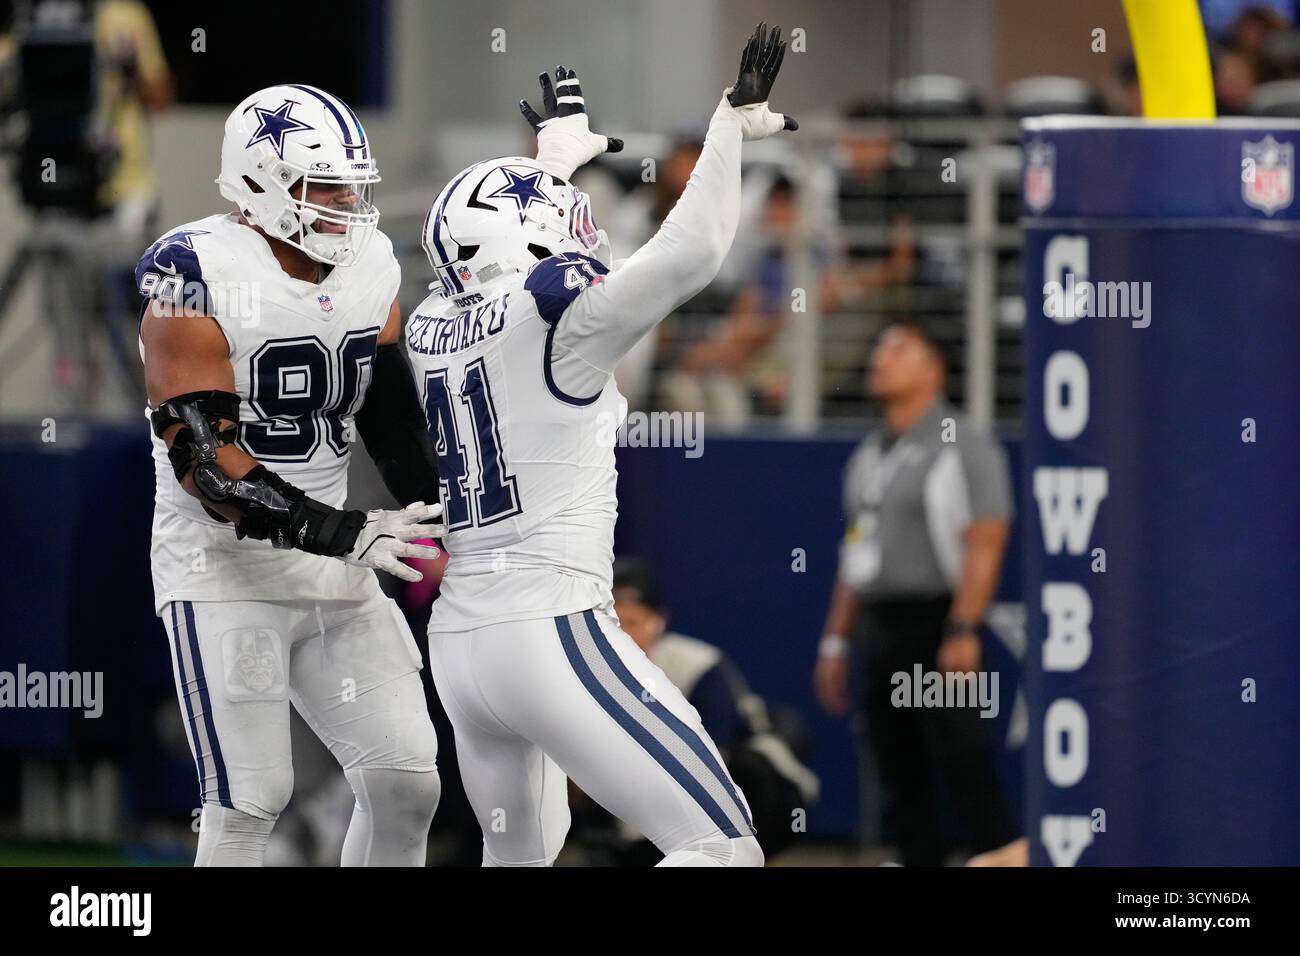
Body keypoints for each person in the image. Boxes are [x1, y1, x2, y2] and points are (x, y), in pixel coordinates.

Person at [405, 23, 797, 867]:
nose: (581, 229)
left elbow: (508, 260)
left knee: (519, 860)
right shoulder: (560, 321)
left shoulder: (434, 322)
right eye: (562, 217)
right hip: (549, 628)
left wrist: (553, 164)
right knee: (722, 846)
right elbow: (689, 252)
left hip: (463, 646)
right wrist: (727, 127)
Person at [137, 84, 445, 866]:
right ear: (257, 185)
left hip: (335, 570)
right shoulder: (192, 271)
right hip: (224, 571)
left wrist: (448, 516)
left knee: (408, 782)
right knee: (247, 803)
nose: (347, 203)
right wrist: (344, 533)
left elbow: (393, 419)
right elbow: (207, 463)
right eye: (323, 184)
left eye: (352, 183)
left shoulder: (372, 262)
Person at [813, 320, 1017, 866]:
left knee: (963, 760)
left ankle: (1004, 857)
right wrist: (836, 640)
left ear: (933, 368)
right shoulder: (868, 456)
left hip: (936, 624)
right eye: (878, 347)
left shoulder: (963, 442)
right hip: (881, 627)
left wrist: (963, 626)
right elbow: (855, 554)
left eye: (898, 348)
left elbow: (987, 539)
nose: (880, 357)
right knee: (898, 769)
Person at [609, 558, 819, 861]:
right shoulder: (596, 668)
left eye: (632, 622)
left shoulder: (699, 665)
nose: (623, 634)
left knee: (747, 774)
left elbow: (709, 760)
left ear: (659, 620)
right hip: (653, 802)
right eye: (614, 622)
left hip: (754, 789)